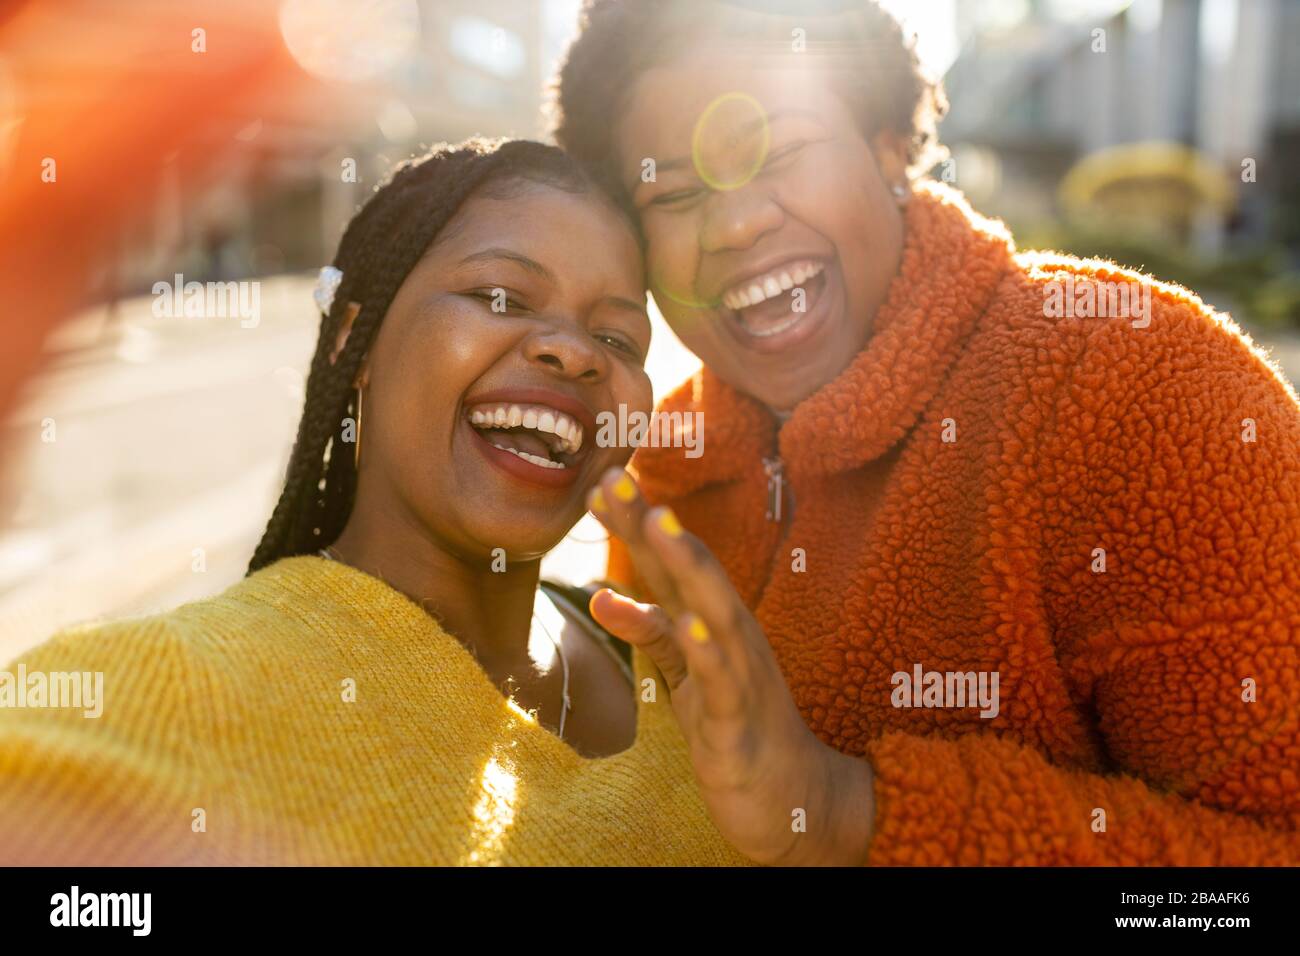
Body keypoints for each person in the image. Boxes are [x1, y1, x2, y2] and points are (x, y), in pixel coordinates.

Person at [552, 0, 1300, 865]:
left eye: (782, 150)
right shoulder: (666, 465)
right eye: (674, 194)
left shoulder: (1135, 384)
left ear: (888, 147)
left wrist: (843, 813)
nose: (734, 224)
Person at [0, 139, 750, 866]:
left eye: (618, 339)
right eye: (501, 296)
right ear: (352, 345)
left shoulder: (676, 668)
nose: (575, 351)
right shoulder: (163, 690)